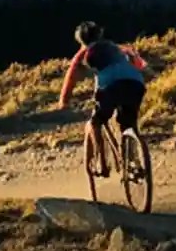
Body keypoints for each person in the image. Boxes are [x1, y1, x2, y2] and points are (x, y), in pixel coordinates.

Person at [58, 21, 147, 177]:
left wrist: (64, 102)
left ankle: (102, 164)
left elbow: (71, 78)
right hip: (135, 84)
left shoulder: (84, 53)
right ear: (100, 34)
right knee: (128, 123)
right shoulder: (117, 47)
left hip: (111, 88)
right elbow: (140, 64)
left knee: (96, 122)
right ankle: (133, 163)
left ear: (80, 41)